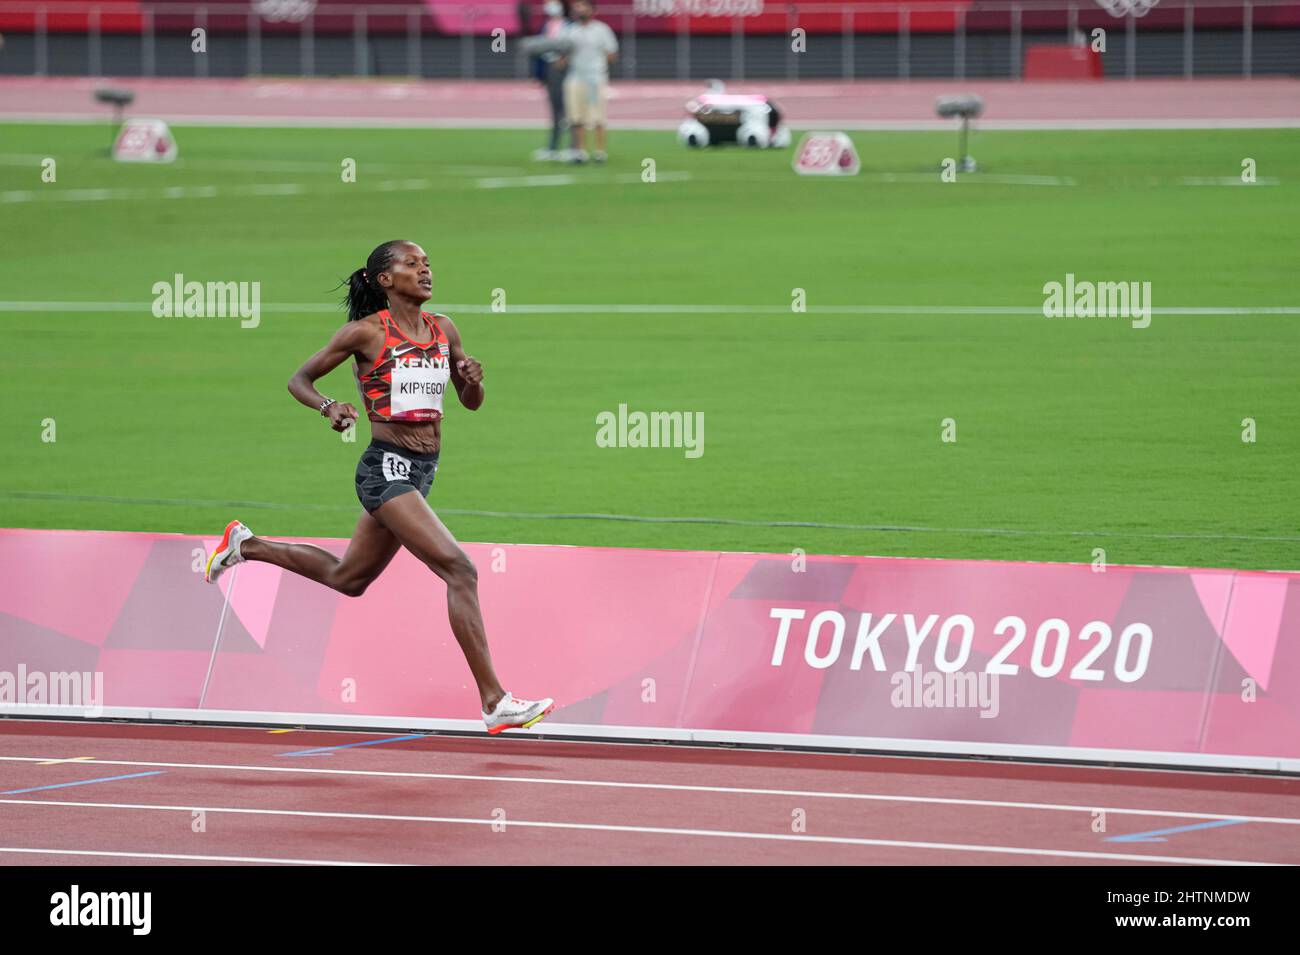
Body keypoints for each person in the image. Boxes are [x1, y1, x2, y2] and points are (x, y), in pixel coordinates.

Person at [203, 240, 554, 735]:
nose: (425, 271)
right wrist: (329, 406)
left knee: (350, 579)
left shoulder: (443, 329)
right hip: (384, 468)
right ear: (386, 280)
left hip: (423, 471)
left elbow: (470, 402)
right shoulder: (365, 334)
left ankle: (246, 545)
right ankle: (495, 701)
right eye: (412, 264)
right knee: (460, 569)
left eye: (428, 263)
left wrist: (473, 380)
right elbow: (299, 379)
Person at [559, 0, 617, 164]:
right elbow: (562, 57)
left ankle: (599, 152)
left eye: (583, 6)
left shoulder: (601, 30)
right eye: (577, 7)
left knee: (597, 116)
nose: (580, 9)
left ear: (592, 10)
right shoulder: (569, 30)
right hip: (575, 78)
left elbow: (612, 54)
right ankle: (580, 151)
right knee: (576, 117)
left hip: (595, 78)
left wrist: (599, 61)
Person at [531, 0, 571, 161]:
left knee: (569, 110)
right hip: (550, 70)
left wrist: (565, 60)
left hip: (567, 71)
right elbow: (540, 51)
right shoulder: (546, 26)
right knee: (555, 111)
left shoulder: (570, 26)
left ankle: (573, 147)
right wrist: (538, 74)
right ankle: (553, 147)